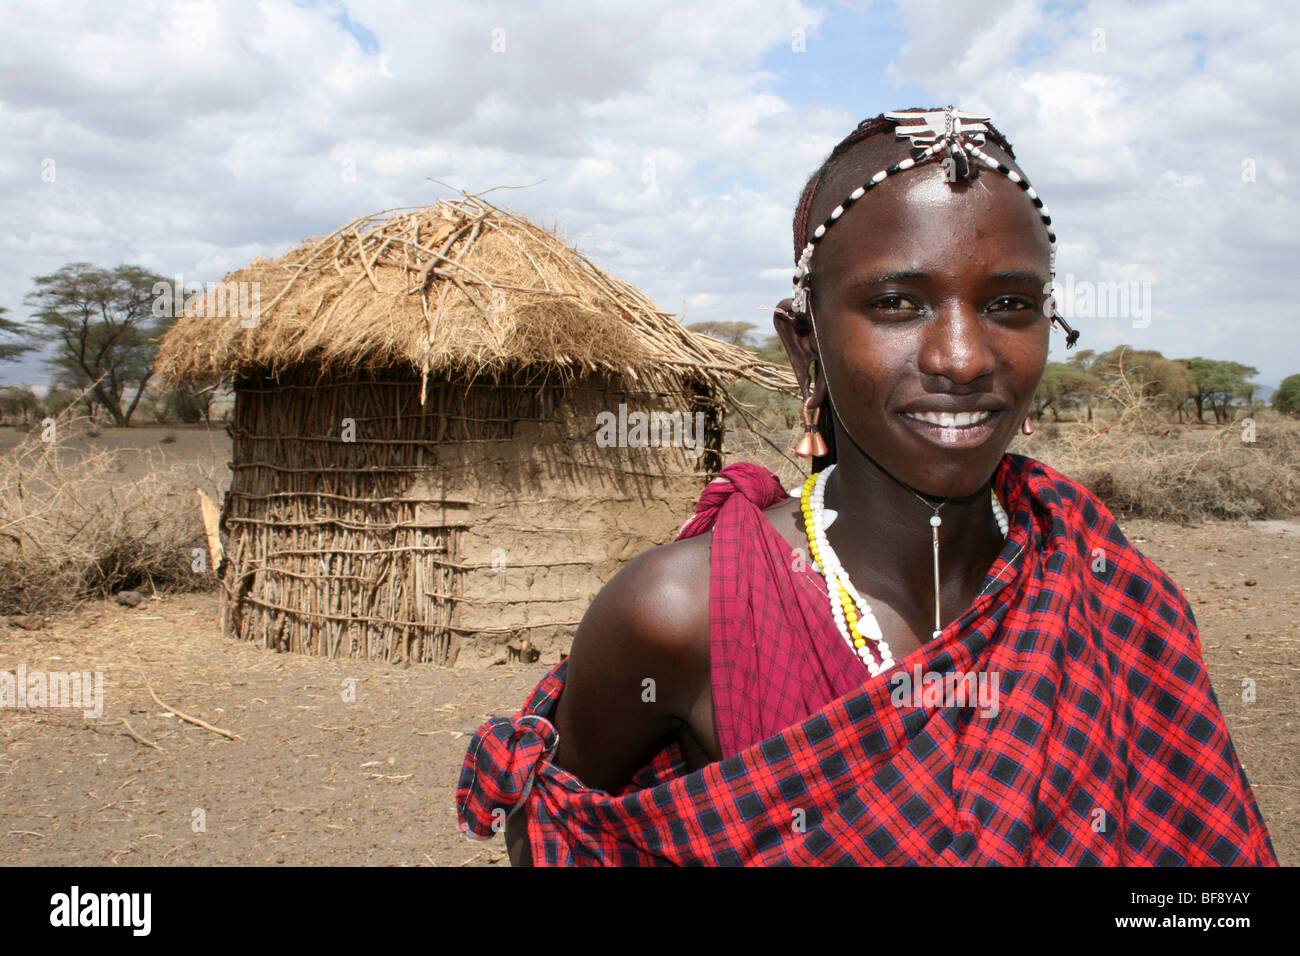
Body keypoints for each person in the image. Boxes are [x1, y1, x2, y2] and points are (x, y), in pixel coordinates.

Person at [457, 107, 1277, 866]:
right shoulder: (684, 614)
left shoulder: (1102, 583)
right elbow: (561, 831)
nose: (963, 357)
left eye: (1010, 304)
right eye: (895, 303)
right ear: (805, 343)